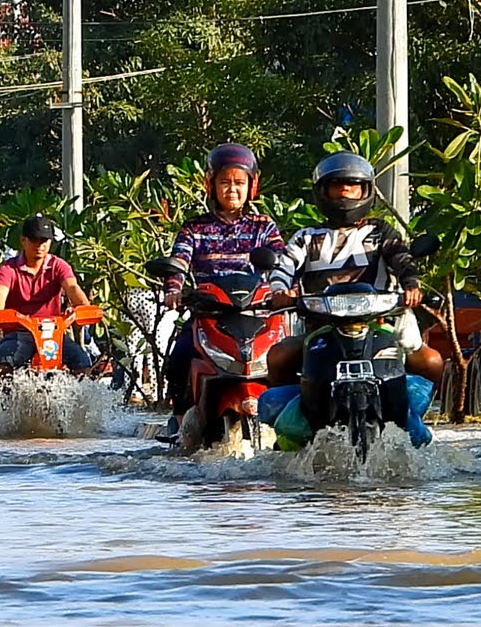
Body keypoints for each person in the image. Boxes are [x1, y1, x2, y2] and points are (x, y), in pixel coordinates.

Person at [268, 151, 445, 391]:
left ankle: (414, 417)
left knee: (432, 362)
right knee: (279, 357)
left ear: (366, 191)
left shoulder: (381, 232)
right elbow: (285, 265)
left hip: (381, 325)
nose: (344, 191)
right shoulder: (306, 238)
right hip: (321, 329)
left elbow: (400, 257)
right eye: (337, 185)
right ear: (322, 191)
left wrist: (411, 284)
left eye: (353, 185)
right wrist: (279, 290)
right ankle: (291, 420)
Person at [160, 143, 286, 436]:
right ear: (211, 184)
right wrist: (174, 289)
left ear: (251, 186)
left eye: (239, 182)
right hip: (209, 318)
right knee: (179, 358)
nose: (232, 189)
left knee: (290, 357)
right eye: (225, 182)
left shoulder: (263, 227)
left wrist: (288, 290)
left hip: (257, 318)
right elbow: (179, 260)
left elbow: (282, 263)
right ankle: (180, 424)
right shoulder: (195, 229)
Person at [0, 214, 93, 373]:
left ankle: (80, 397)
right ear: (23, 240)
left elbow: (72, 287)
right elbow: (0, 292)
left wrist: (82, 307)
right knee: (6, 360)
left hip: (52, 334)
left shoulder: (59, 266)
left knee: (82, 362)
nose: (39, 245)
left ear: (50, 242)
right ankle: (5, 397)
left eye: (44, 241)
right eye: (34, 240)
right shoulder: (8, 269)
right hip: (19, 333)